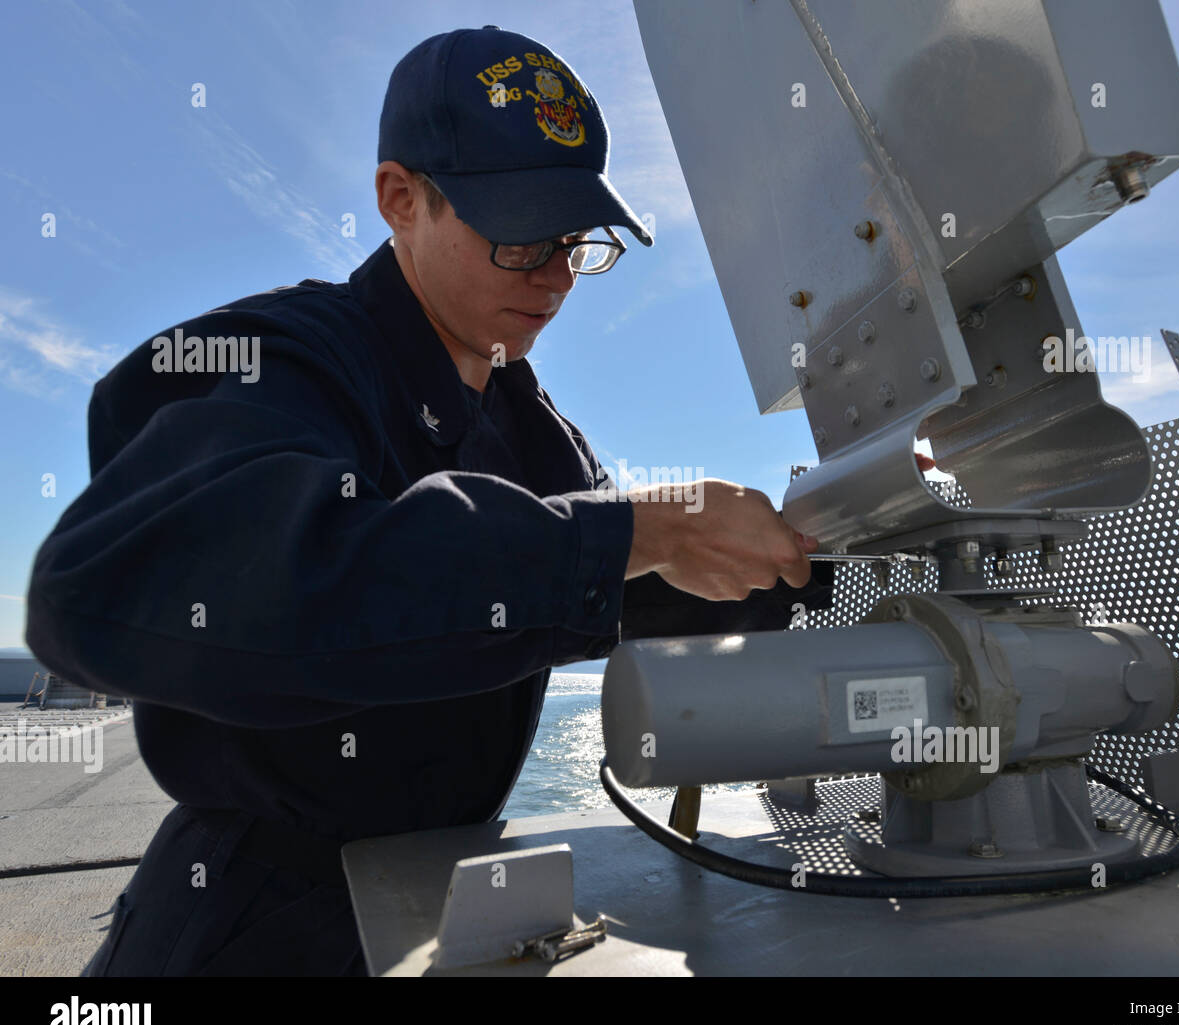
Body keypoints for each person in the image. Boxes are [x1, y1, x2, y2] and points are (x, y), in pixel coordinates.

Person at [25, 26, 834, 976]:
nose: (558, 275)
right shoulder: (276, 362)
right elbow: (108, 595)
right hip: (254, 921)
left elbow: (592, 582)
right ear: (400, 200)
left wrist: (807, 563)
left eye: (577, 240)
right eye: (524, 234)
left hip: (430, 895)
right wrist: (637, 530)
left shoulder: (535, 433)